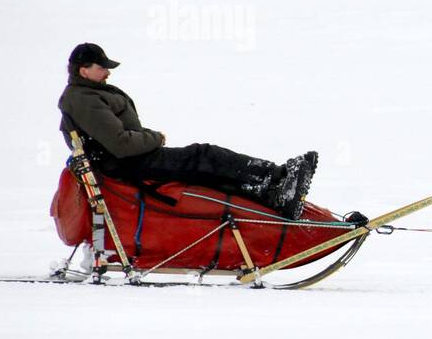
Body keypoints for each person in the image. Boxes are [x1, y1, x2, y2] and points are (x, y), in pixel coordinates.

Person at [57, 43, 318, 220]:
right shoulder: (84, 99)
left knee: (206, 170)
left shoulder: (88, 94)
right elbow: (121, 143)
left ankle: (272, 192)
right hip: (129, 164)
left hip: (130, 161)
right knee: (204, 156)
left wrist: (147, 137)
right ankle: (278, 177)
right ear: (84, 70)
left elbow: (120, 134)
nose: (107, 73)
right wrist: (155, 138)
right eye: (102, 68)